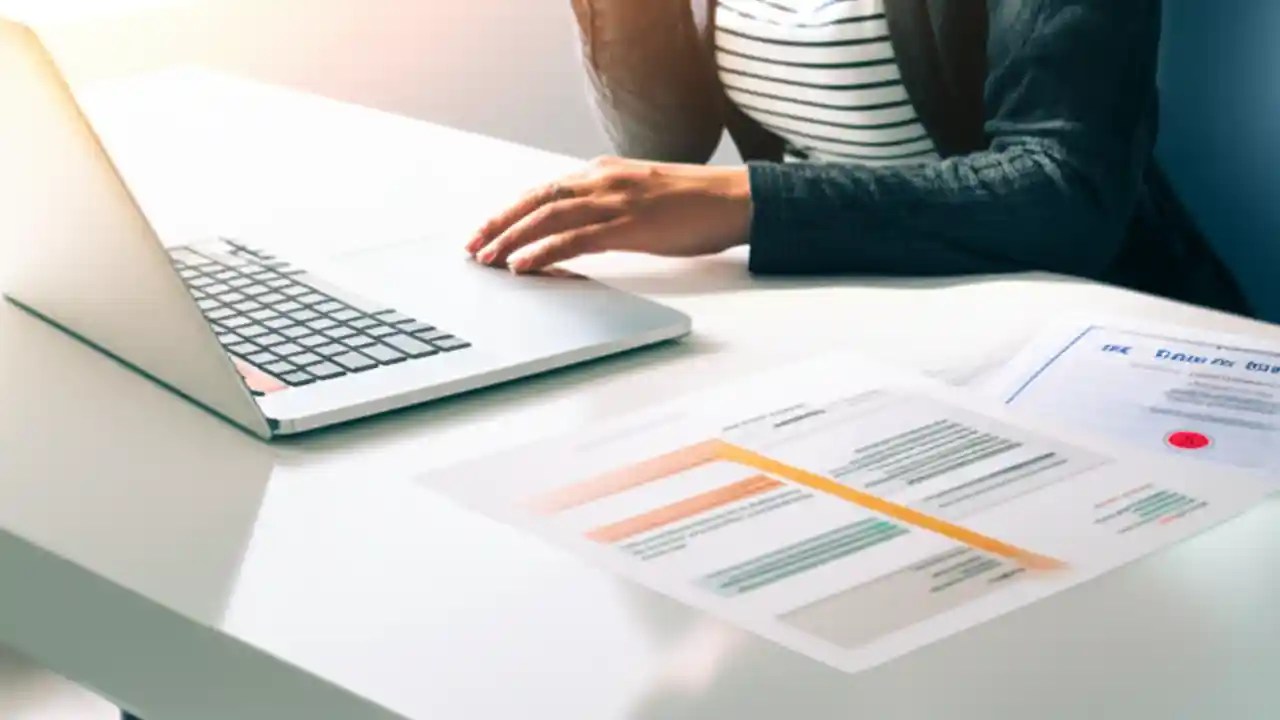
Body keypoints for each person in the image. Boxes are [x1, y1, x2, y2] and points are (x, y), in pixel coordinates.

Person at [466, 0, 1252, 315]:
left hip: (1084, 325)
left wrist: (747, 202)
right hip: (856, 313)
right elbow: (664, 146)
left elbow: (1063, 192)